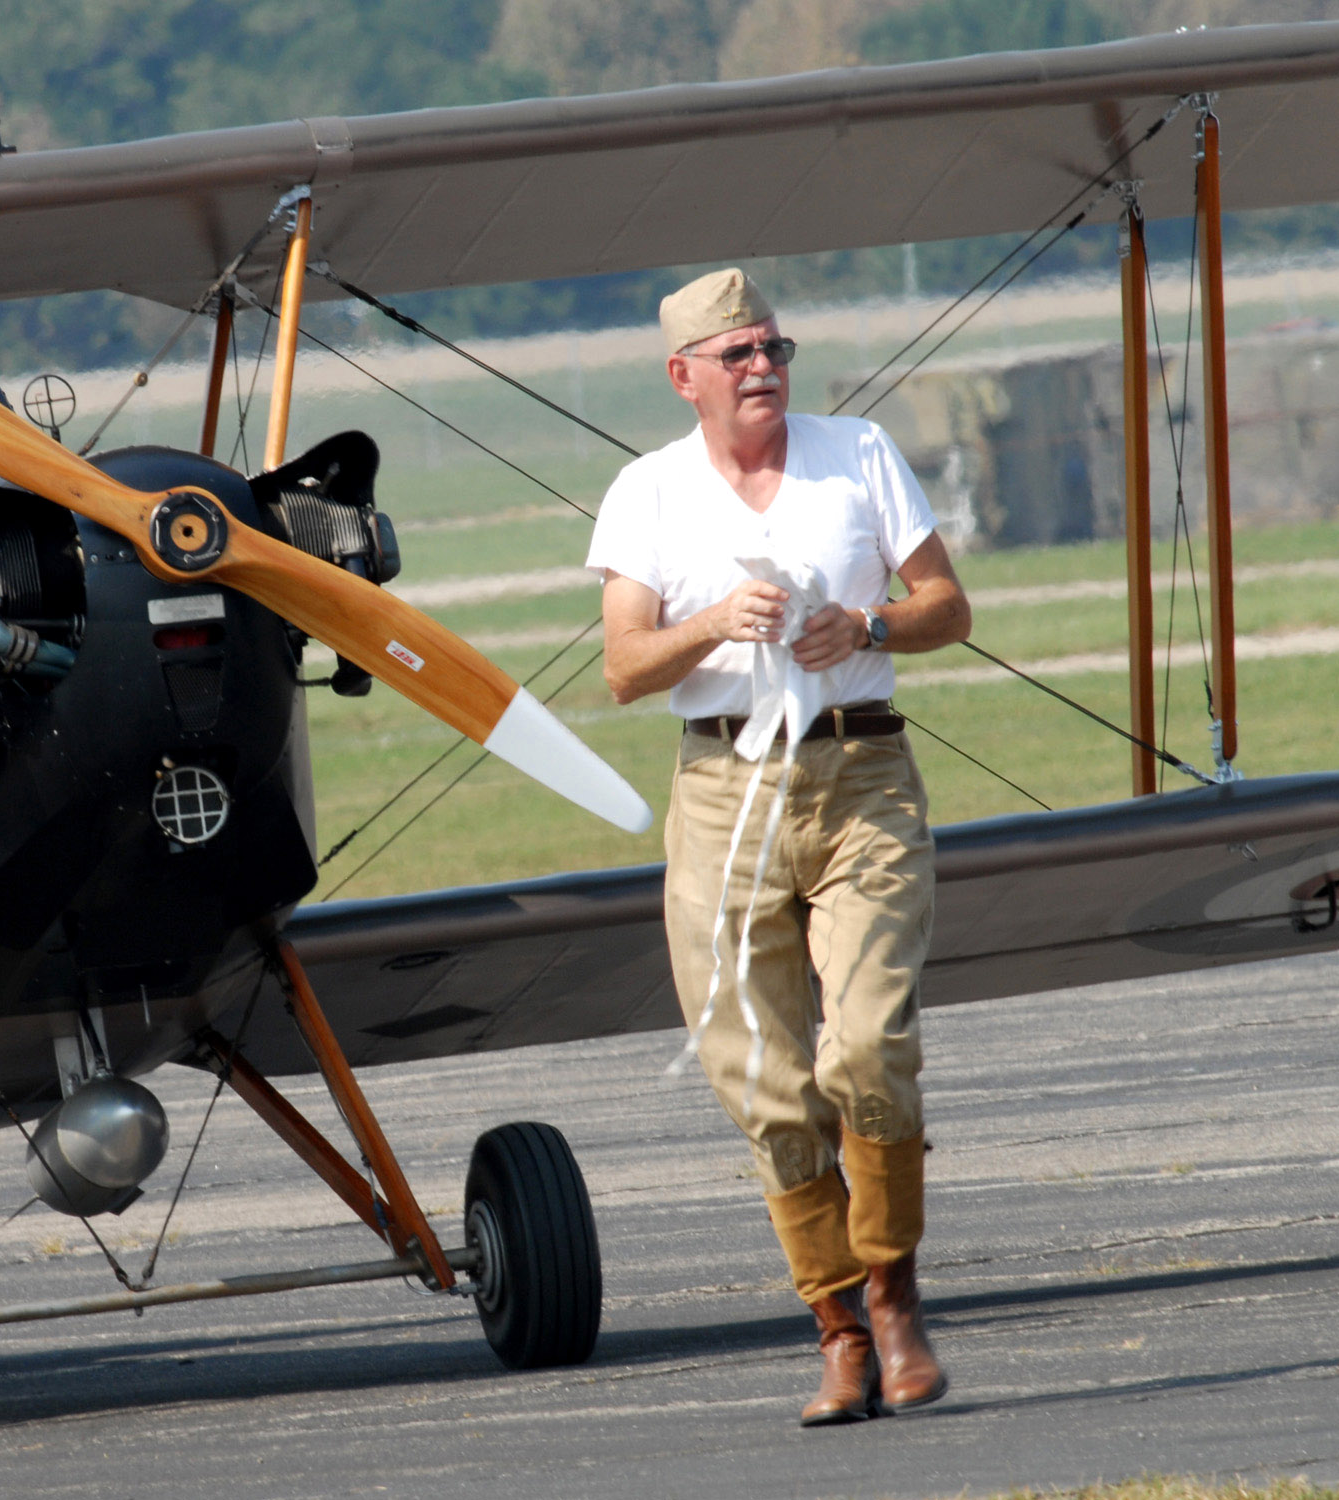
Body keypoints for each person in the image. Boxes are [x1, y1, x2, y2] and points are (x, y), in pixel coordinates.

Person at [588, 268, 972, 1426]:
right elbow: (621, 667)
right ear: (685, 377)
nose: (763, 367)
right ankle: (840, 1329)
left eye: (773, 346)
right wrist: (711, 622)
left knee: (865, 1049)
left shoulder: (856, 451)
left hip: (862, 779)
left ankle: (897, 1296)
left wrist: (866, 624)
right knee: (764, 1082)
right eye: (738, 354)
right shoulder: (646, 492)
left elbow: (948, 606)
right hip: (722, 793)